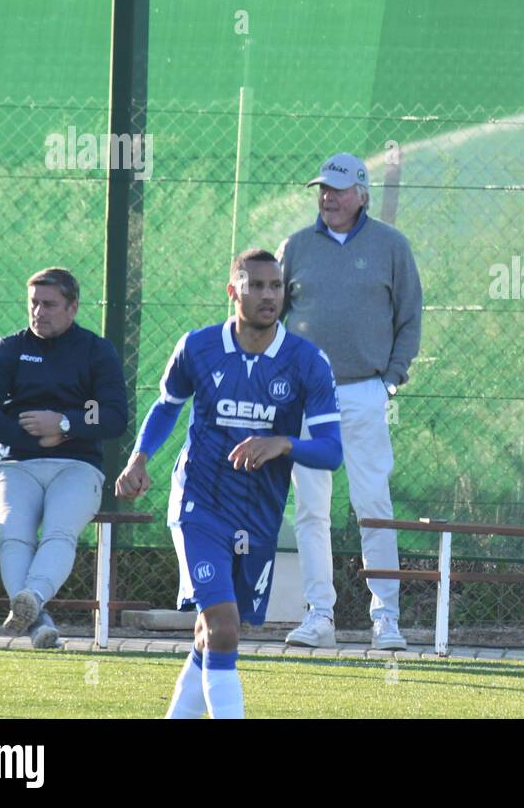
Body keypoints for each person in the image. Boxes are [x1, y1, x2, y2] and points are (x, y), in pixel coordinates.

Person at [115, 250, 342, 719]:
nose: (267, 295)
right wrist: (139, 459)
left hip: (258, 514)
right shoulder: (198, 347)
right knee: (223, 626)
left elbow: (332, 450)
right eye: (256, 285)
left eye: (275, 286)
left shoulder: (306, 361)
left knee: (212, 634)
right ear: (232, 291)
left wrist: (282, 443)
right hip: (199, 504)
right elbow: (168, 405)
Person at [276, 152, 422, 651]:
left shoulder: (392, 246)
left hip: (365, 389)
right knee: (310, 509)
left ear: (361, 193)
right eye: (323, 188)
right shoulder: (295, 246)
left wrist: (389, 381)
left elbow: (410, 317)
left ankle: (387, 619)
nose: (328, 197)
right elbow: (273, 317)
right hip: (306, 395)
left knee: (372, 504)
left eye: (338, 189)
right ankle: (319, 615)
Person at [0, 268, 128, 649]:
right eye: (33, 303)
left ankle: (33, 603)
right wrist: (33, 438)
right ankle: (38, 620)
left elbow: (115, 416)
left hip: (77, 466)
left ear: (72, 308)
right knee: (13, 538)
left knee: (59, 532)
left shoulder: (96, 350)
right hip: (16, 466)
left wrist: (65, 424)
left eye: (49, 304)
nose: (39, 312)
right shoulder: (9, 347)